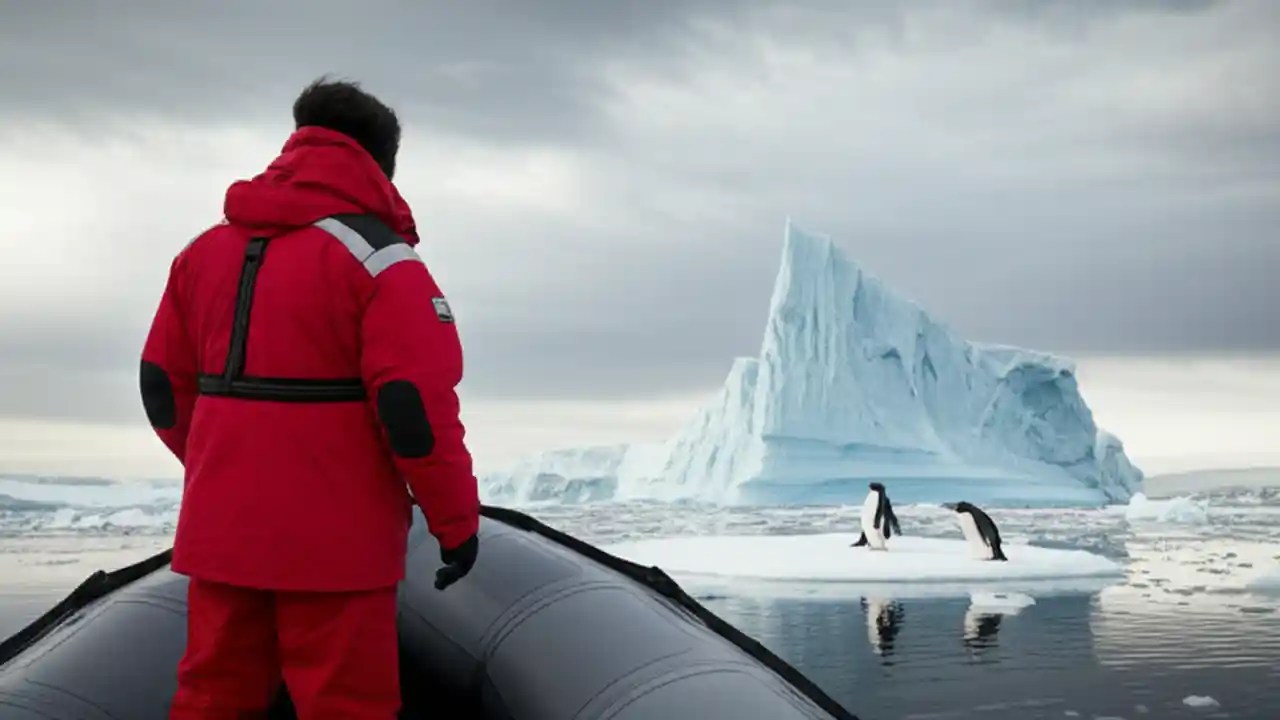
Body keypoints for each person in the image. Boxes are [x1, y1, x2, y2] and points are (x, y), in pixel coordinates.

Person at [139, 77, 481, 719]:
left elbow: (160, 385)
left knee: (213, 696)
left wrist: (224, 469)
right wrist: (455, 523)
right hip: (339, 549)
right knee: (347, 704)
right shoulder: (384, 264)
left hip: (223, 533)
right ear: (382, 164)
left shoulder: (201, 254)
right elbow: (414, 411)